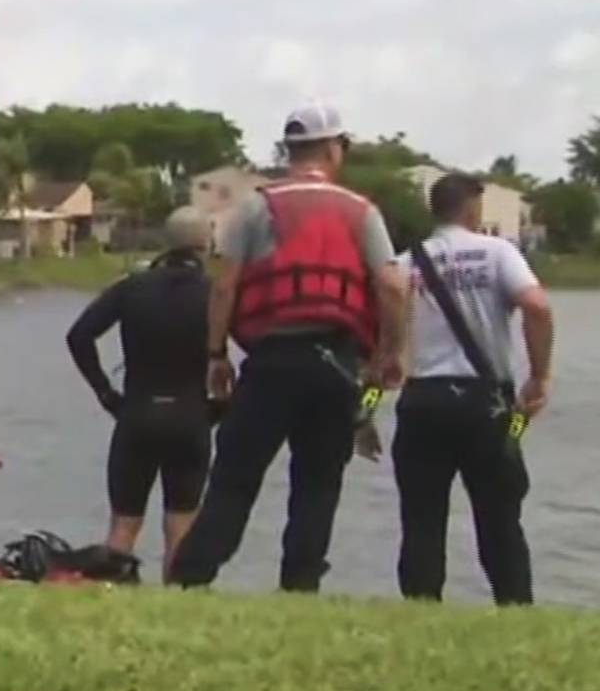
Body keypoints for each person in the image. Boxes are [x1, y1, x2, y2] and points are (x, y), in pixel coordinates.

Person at [168, 103, 410, 592]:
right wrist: (391, 355)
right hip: (336, 363)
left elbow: (224, 286)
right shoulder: (360, 211)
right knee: (317, 484)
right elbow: (394, 287)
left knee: (234, 479)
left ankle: (191, 579)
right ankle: (299, 587)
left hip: (271, 361)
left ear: (291, 150)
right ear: (330, 148)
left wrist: (216, 356)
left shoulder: (255, 207)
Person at [394, 174, 555, 606]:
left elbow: (386, 323)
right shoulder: (499, 253)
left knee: (422, 519)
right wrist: (539, 376)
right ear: (472, 209)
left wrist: (370, 396)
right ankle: (515, 607)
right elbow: (537, 307)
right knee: (499, 516)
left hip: (423, 400)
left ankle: (421, 610)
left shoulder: (408, 260)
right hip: (487, 404)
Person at [65, 206, 215, 582]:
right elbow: (259, 346)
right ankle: (177, 604)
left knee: (124, 524)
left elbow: (79, 336)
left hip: (137, 414)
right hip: (190, 416)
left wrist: (105, 392)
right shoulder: (214, 294)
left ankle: (112, 598)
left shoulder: (132, 288)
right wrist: (225, 405)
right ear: (205, 244)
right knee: (181, 524)